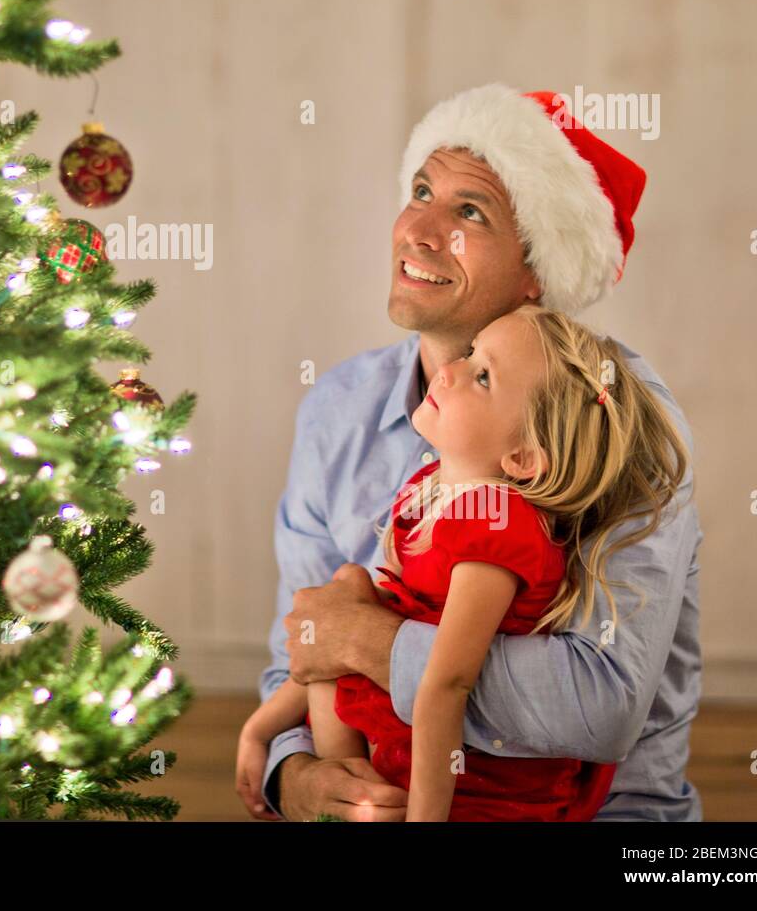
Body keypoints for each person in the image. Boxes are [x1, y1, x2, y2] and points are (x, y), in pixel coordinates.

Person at [241, 83, 701, 822]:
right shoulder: (336, 410)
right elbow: (298, 647)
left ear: (535, 275)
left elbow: (602, 703)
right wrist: (291, 770)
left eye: (469, 211)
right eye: (421, 188)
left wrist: (369, 640)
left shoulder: (611, 414)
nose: (418, 227)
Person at [236, 303, 689, 821]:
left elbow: (445, 685)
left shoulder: (496, 527)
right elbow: (333, 634)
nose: (449, 370)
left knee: (348, 601)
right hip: (405, 740)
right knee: (346, 586)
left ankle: (361, 787)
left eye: (482, 377)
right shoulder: (429, 493)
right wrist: (263, 730)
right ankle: (348, 779)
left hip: (475, 789)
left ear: (522, 457)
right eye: (472, 355)